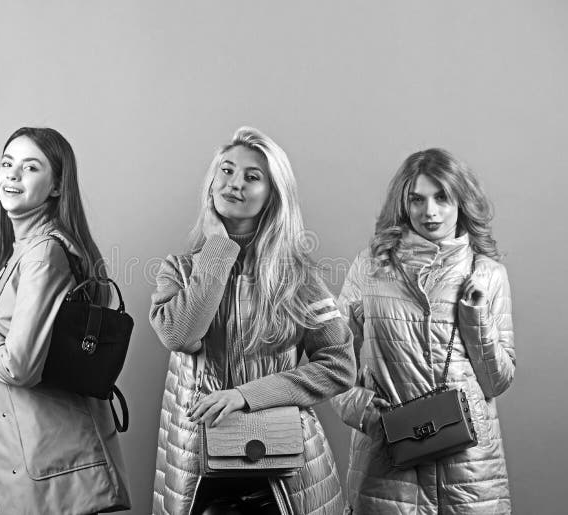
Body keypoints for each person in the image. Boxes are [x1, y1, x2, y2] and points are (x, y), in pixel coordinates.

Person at [150, 126, 355, 515]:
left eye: (252, 177)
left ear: (272, 195)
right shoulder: (179, 270)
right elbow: (180, 335)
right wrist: (219, 250)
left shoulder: (298, 277)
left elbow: (340, 366)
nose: (235, 184)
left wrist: (246, 396)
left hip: (286, 476)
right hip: (199, 474)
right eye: (226, 171)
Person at [0, 127, 130, 514]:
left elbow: (20, 367)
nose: (12, 175)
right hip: (34, 461)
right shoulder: (20, 250)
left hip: (54, 472)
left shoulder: (43, 254)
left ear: (57, 187)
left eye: (30, 167)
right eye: (7, 163)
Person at [331, 148, 515, 514]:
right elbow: (334, 363)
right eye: (417, 199)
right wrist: (366, 412)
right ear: (403, 204)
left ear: (461, 201)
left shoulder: (487, 273)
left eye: (442, 198)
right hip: (387, 467)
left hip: (469, 469)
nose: (430, 212)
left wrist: (475, 314)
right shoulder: (369, 267)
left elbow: (497, 382)